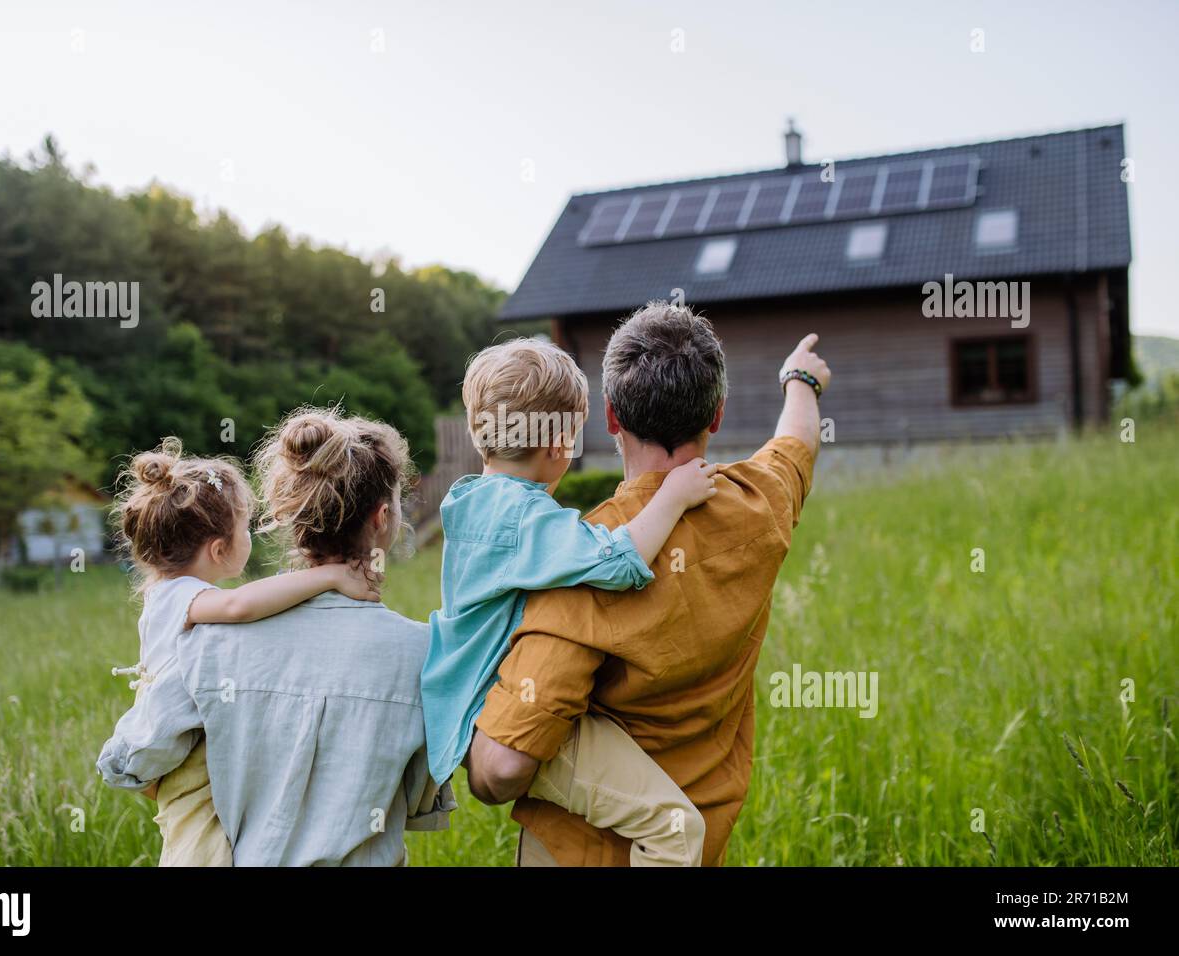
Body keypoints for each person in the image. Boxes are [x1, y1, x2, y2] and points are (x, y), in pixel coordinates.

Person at [467, 302, 831, 867]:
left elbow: (500, 769)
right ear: (717, 414)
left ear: (611, 417)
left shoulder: (581, 560)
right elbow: (796, 445)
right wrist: (801, 378)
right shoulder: (761, 504)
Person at [98, 409, 454, 865]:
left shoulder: (206, 644)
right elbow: (422, 801)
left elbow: (133, 761)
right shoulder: (426, 654)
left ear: (289, 514)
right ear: (383, 517)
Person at [424, 338, 716, 865]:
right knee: (676, 830)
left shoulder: (468, 501)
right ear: (559, 445)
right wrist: (673, 494)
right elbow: (617, 562)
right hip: (500, 717)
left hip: (477, 715)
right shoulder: (523, 519)